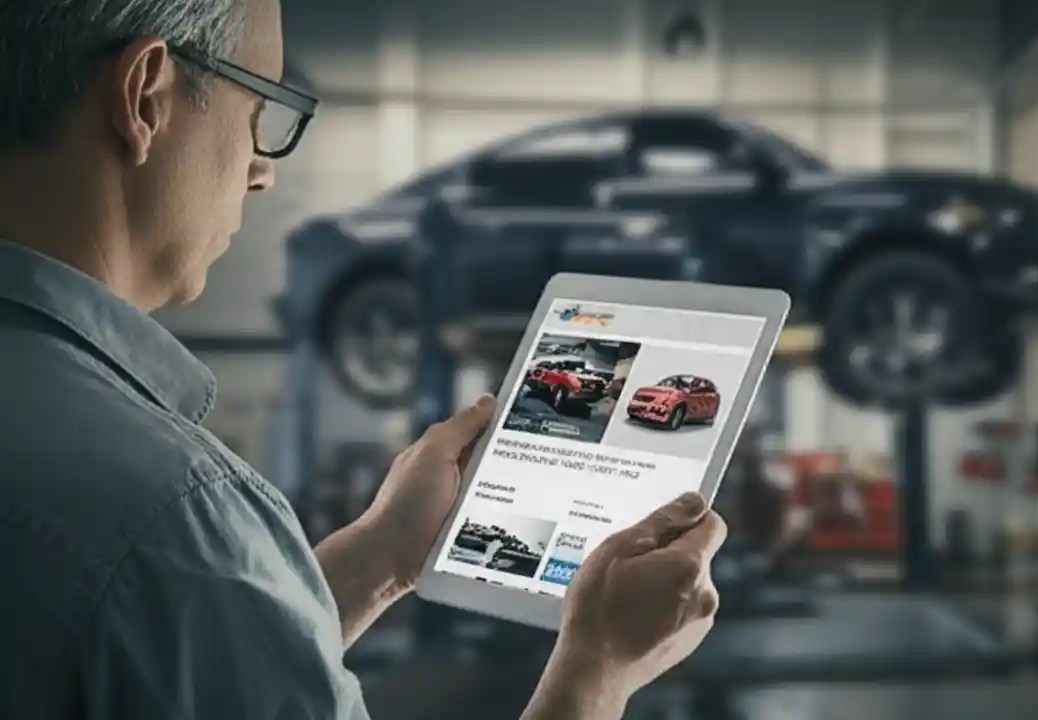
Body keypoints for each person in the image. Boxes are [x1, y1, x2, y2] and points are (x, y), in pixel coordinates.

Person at [0, 1, 726, 718]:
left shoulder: (155, 527)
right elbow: (172, 586)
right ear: (146, 98)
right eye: (264, 110)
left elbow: (178, 647)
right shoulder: (175, 512)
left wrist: (384, 555)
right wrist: (597, 671)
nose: (262, 173)